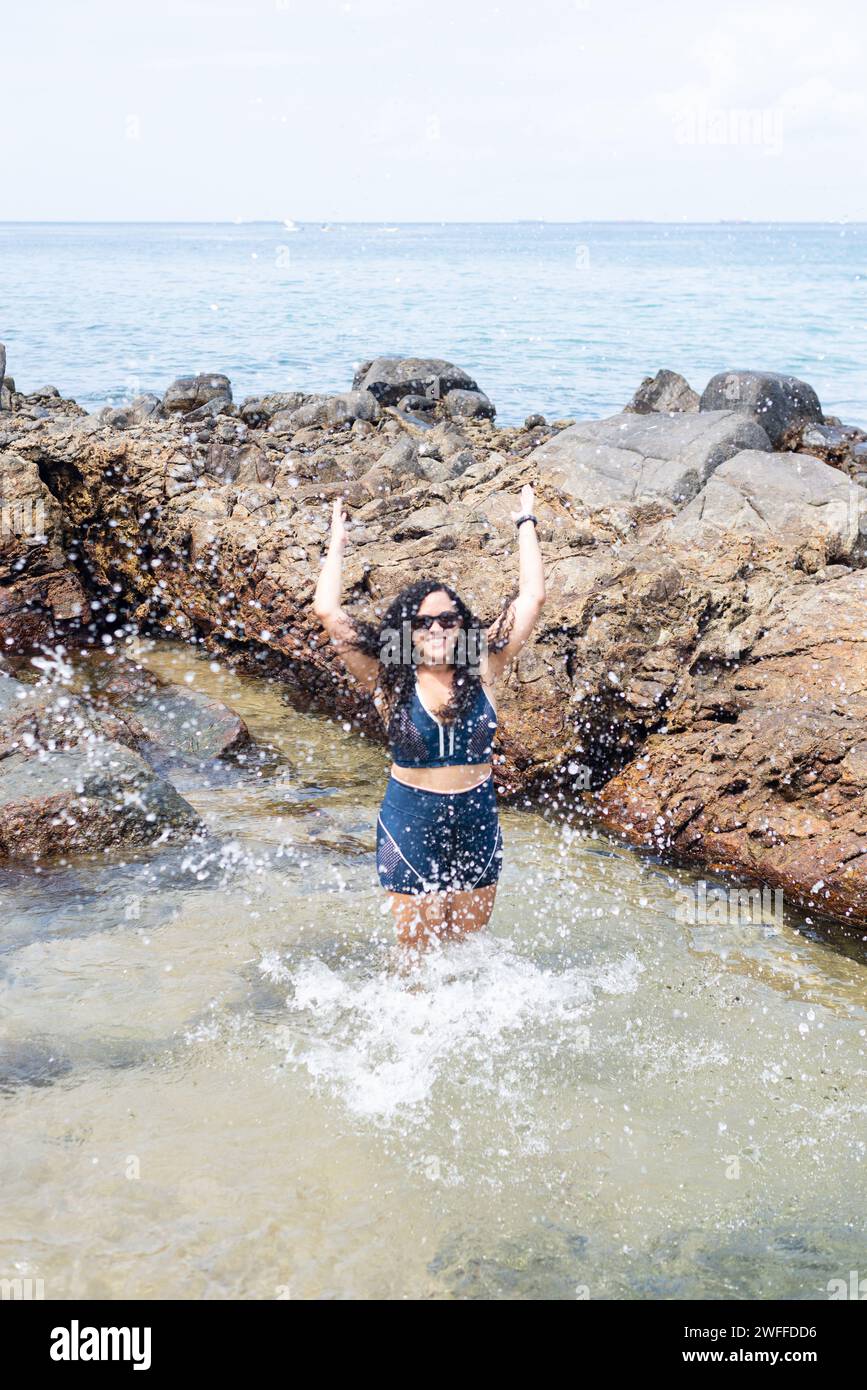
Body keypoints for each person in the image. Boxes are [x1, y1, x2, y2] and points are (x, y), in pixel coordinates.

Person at [312, 483, 545, 954]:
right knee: (416, 956)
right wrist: (337, 543)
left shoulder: (483, 667)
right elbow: (328, 610)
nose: (437, 629)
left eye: (448, 620)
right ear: (407, 631)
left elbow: (532, 600)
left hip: (477, 818)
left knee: (468, 951)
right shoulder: (388, 678)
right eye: (423, 623)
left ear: (463, 625)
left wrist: (525, 523)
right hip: (410, 820)